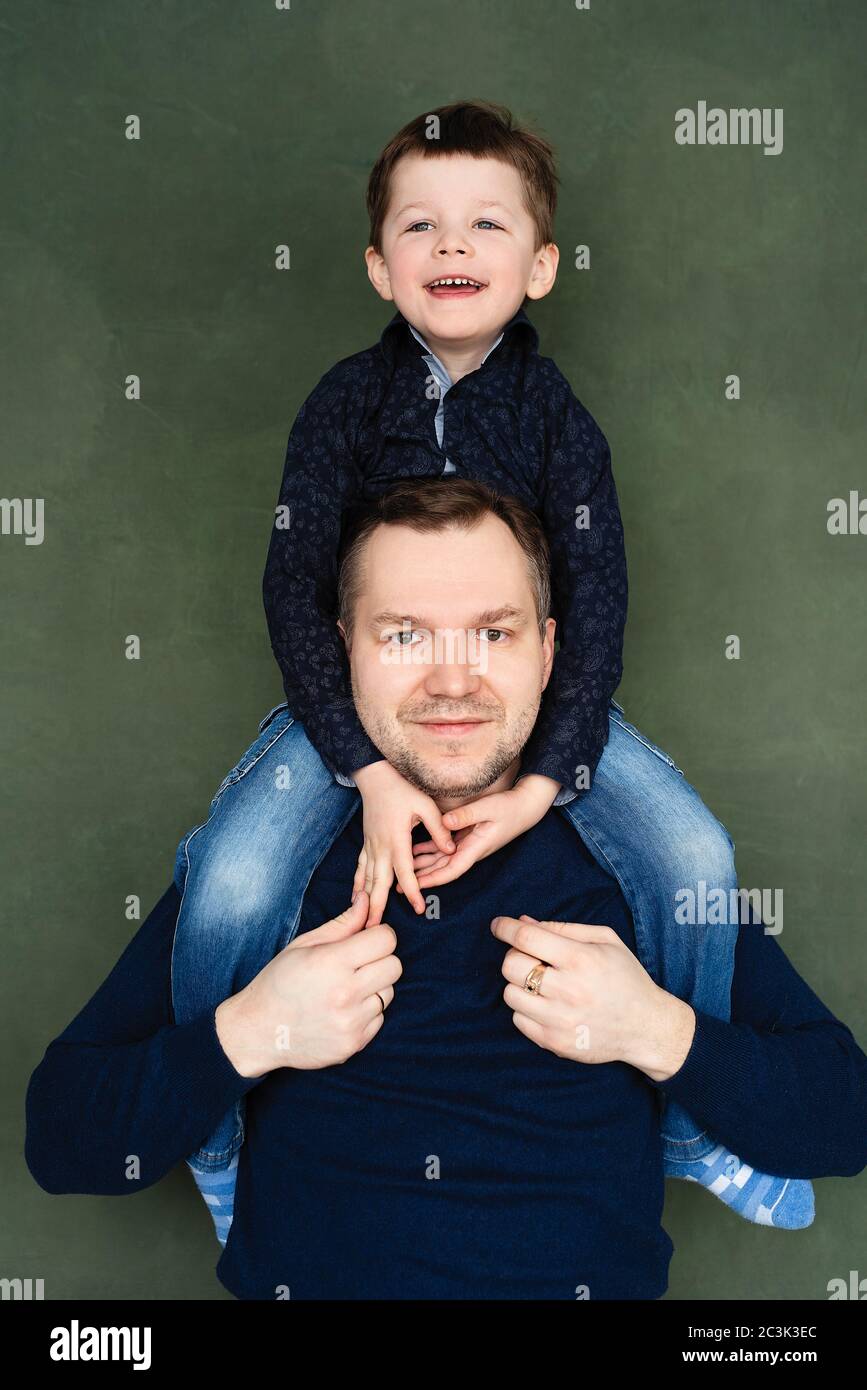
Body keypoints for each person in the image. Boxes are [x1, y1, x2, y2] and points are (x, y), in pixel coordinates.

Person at [170, 99, 813, 1237]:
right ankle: (214, 1141)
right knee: (226, 877)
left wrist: (541, 781)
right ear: (379, 266)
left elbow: (598, 607)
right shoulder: (342, 405)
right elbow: (293, 590)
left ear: (544, 264)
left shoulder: (559, 421)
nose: (453, 247)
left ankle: (697, 1127)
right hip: (360, 711)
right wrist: (363, 766)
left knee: (696, 852)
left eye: (485, 225)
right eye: (420, 228)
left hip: (538, 717)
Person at [25, 481, 867, 1300]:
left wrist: (656, 1029)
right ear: (341, 650)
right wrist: (250, 1032)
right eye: (402, 636)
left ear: (549, 652)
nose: (454, 681)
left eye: (493, 635)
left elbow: (842, 1120)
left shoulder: (637, 871)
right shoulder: (267, 874)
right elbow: (63, 1145)